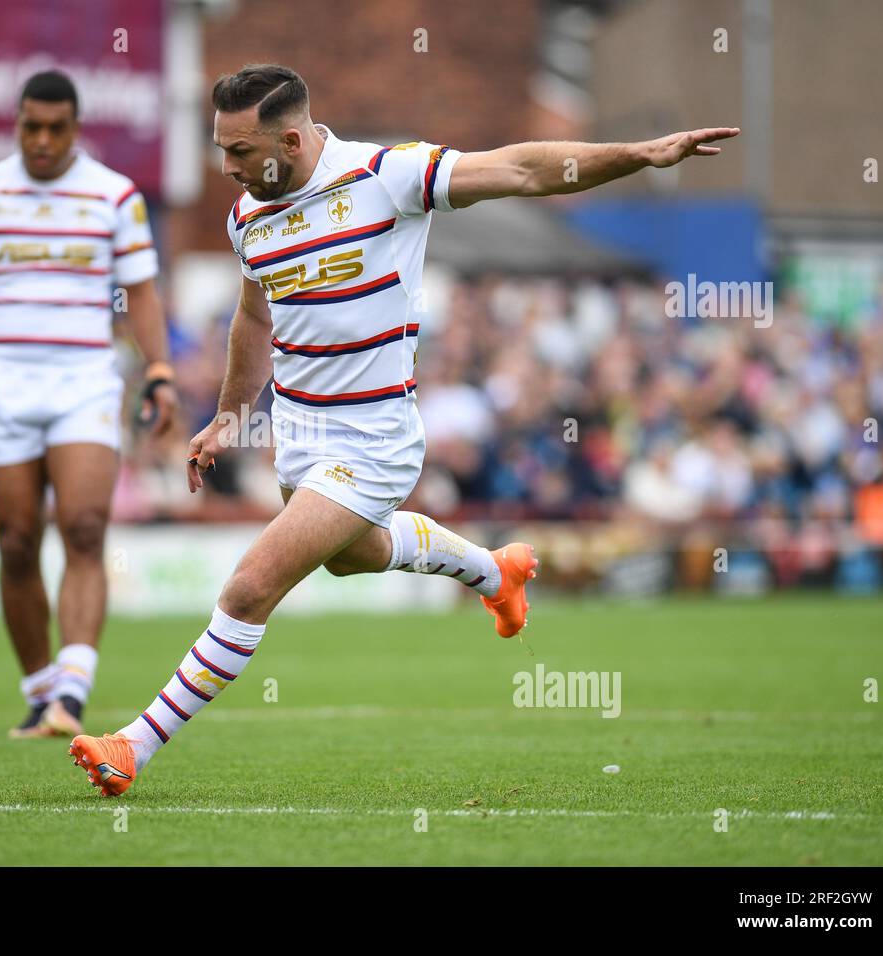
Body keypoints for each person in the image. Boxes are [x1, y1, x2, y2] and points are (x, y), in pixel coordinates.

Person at [70, 63, 739, 796]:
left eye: (238, 151)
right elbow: (255, 319)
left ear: (290, 140)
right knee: (353, 558)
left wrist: (639, 155)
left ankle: (133, 745)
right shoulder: (245, 217)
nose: (226, 168)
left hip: (373, 443)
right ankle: (495, 571)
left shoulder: (387, 176)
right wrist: (229, 416)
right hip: (299, 441)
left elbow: (518, 168)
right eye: (221, 149)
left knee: (249, 588)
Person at [0, 70, 177, 739]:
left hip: (84, 380)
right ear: (16, 122)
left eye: (55, 128)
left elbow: (142, 294)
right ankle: (40, 691)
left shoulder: (115, 196)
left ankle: (73, 692)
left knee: (86, 528)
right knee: (14, 543)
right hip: (0, 382)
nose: (41, 140)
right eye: (30, 126)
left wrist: (158, 369)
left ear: (75, 126)